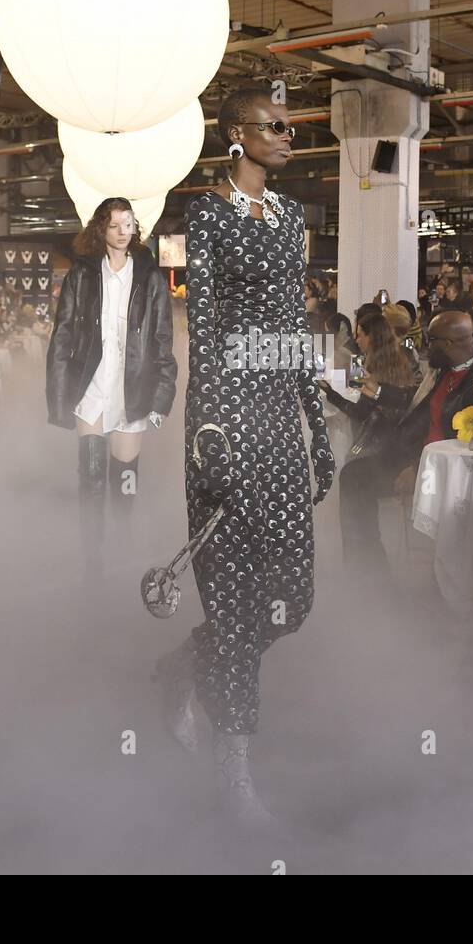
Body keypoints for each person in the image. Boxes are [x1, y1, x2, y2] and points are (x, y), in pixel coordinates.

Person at [157, 86, 334, 829]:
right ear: (236, 134)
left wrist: (317, 432)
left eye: (291, 125)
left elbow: (294, 329)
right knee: (233, 606)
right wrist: (209, 435)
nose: (290, 135)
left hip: (280, 431)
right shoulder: (207, 216)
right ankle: (234, 775)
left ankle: (183, 666)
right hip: (226, 428)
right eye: (275, 125)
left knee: (291, 600)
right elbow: (204, 331)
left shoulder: (291, 216)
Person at [45, 197, 176, 564]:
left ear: (136, 228)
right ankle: (93, 558)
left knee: (125, 480)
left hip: (132, 386)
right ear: (101, 228)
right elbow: (63, 335)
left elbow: (163, 340)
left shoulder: (149, 276)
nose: (122, 232)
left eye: (128, 224)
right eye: (114, 224)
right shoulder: (82, 273)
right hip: (92, 385)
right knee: (90, 475)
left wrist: (162, 396)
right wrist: (58, 397)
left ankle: (121, 551)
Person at [338, 310, 473, 584]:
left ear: (449, 344)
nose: (423, 345)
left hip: (442, 469)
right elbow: (416, 400)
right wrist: (379, 392)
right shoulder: (445, 369)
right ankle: (366, 567)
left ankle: (370, 573)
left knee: (356, 481)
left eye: (430, 340)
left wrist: (417, 467)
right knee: (352, 475)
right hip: (413, 456)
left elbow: (470, 440)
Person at [319, 311, 416, 457]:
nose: (356, 340)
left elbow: (359, 412)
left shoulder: (371, 367)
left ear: (371, 337)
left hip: (374, 443)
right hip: (394, 437)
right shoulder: (399, 360)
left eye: (359, 335)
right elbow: (356, 386)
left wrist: (330, 393)